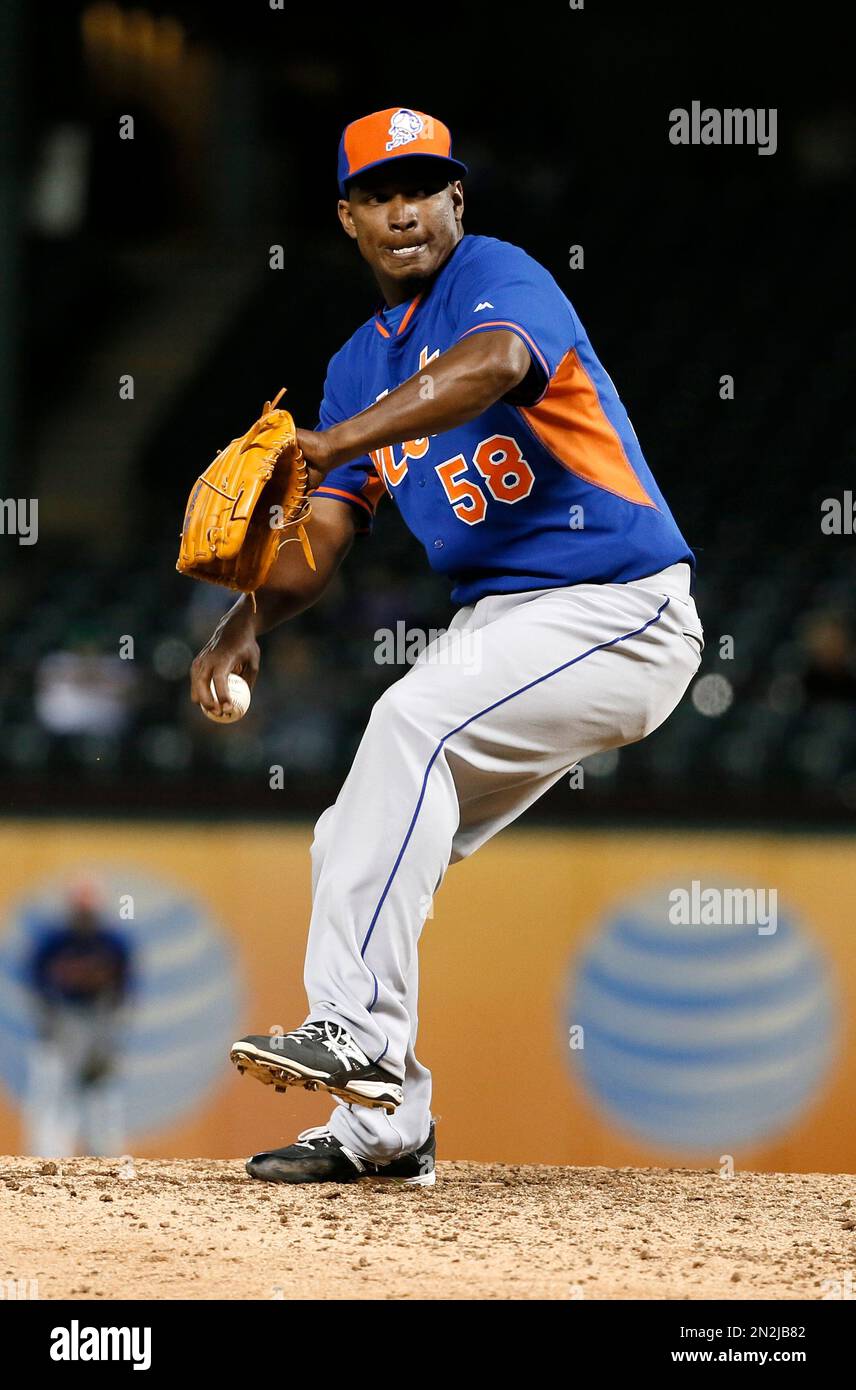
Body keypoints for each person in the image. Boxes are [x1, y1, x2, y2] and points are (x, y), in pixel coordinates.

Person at [190, 107, 704, 1185]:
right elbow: (317, 544)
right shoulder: (350, 368)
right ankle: (387, 1128)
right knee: (361, 830)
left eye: (424, 185)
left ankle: (354, 1034)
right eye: (379, 192)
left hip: (621, 606)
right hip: (508, 628)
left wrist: (338, 438)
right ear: (348, 218)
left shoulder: (497, 278)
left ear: (456, 202)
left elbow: (491, 367)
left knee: (409, 723)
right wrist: (240, 620)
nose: (404, 208)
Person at [24, 879, 133, 1157]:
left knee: (101, 1091)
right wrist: (48, 1024)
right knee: (54, 1089)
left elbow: (122, 989)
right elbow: (37, 985)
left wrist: (111, 1030)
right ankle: (47, 1159)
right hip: (64, 1017)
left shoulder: (112, 942)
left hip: (98, 1019)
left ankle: (105, 1159)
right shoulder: (54, 941)